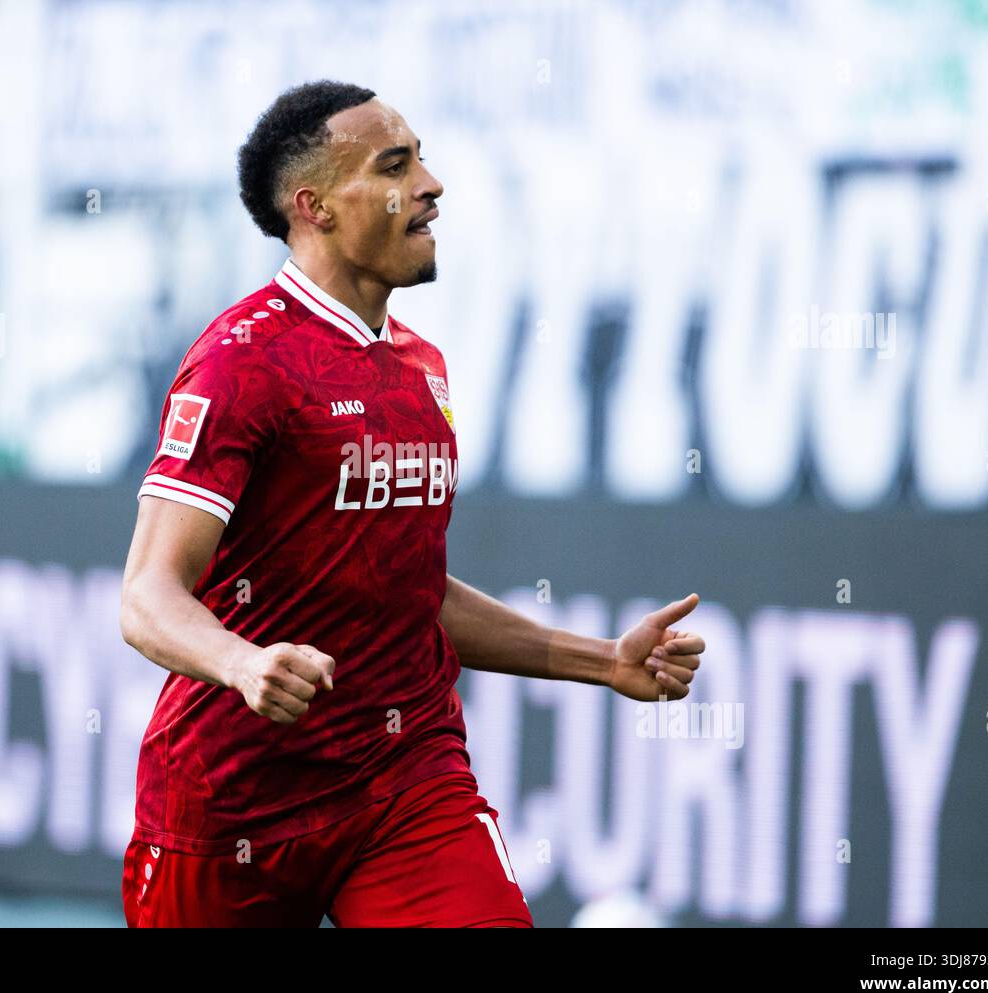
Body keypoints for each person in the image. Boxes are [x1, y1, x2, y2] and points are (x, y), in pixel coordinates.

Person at [119, 80, 706, 927]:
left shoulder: (420, 366)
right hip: (234, 807)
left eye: (422, 158)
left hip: (405, 785)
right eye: (397, 166)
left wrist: (602, 661)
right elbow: (147, 596)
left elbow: (411, 592)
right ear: (314, 206)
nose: (432, 185)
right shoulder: (240, 363)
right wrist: (244, 663)